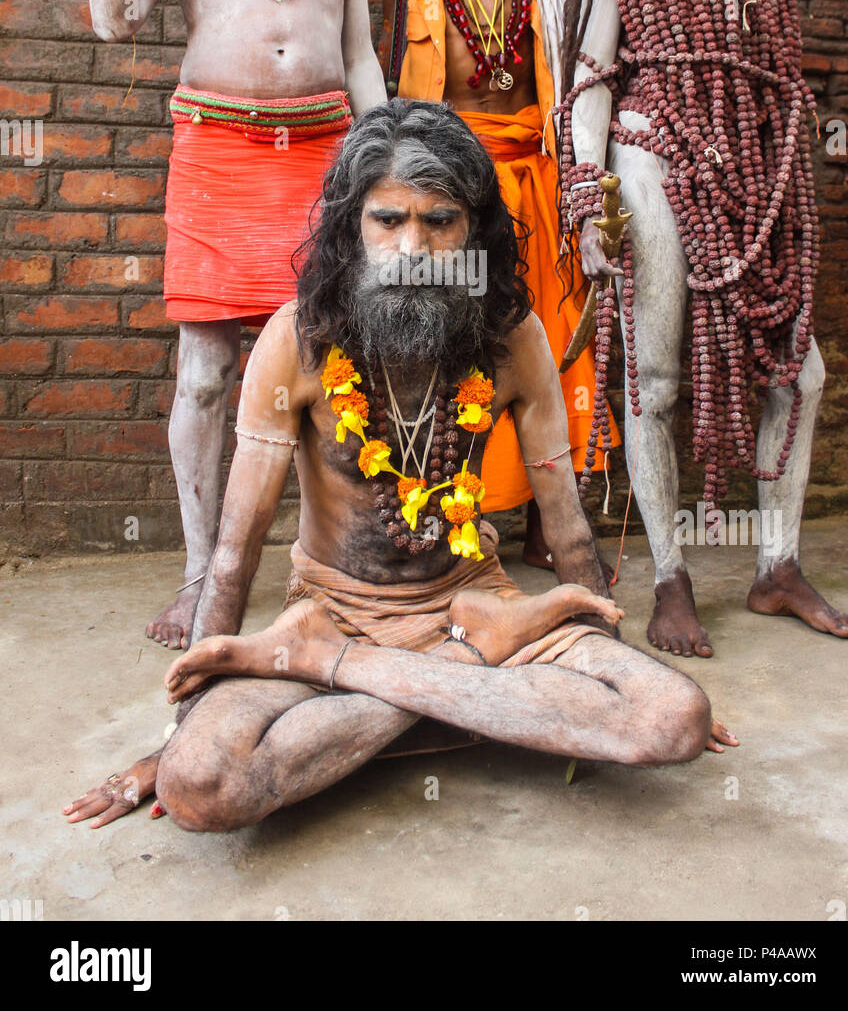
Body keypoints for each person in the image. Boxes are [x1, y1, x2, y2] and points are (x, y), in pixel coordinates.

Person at [63, 101, 735, 833]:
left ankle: (359, 676)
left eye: (439, 221)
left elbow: (569, 530)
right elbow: (233, 557)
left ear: (474, 228)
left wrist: (614, 668)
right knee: (200, 782)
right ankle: (450, 691)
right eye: (388, 221)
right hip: (337, 612)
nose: (412, 246)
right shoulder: (300, 343)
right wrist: (171, 742)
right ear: (352, 230)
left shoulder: (512, 336)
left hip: (475, 599)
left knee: (673, 716)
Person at [559, 0, 848, 657]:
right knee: (651, 380)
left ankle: (774, 565)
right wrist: (585, 199)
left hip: (751, 174)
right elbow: (589, 77)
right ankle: (669, 577)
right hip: (651, 159)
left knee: (799, 373)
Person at [72, 0, 386, 649]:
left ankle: (327, 569)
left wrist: (382, 160)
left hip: (326, 164)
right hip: (218, 158)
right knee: (206, 376)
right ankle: (202, 575)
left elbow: (362, 58)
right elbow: (114, 22)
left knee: (332, 374)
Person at [381, 0, 617, 571]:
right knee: (451, 347)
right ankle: (451, 514)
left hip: (537, 182)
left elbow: (574, 83)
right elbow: (389, 87)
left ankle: (553, 526)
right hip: (449, 190)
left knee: (550, 347)